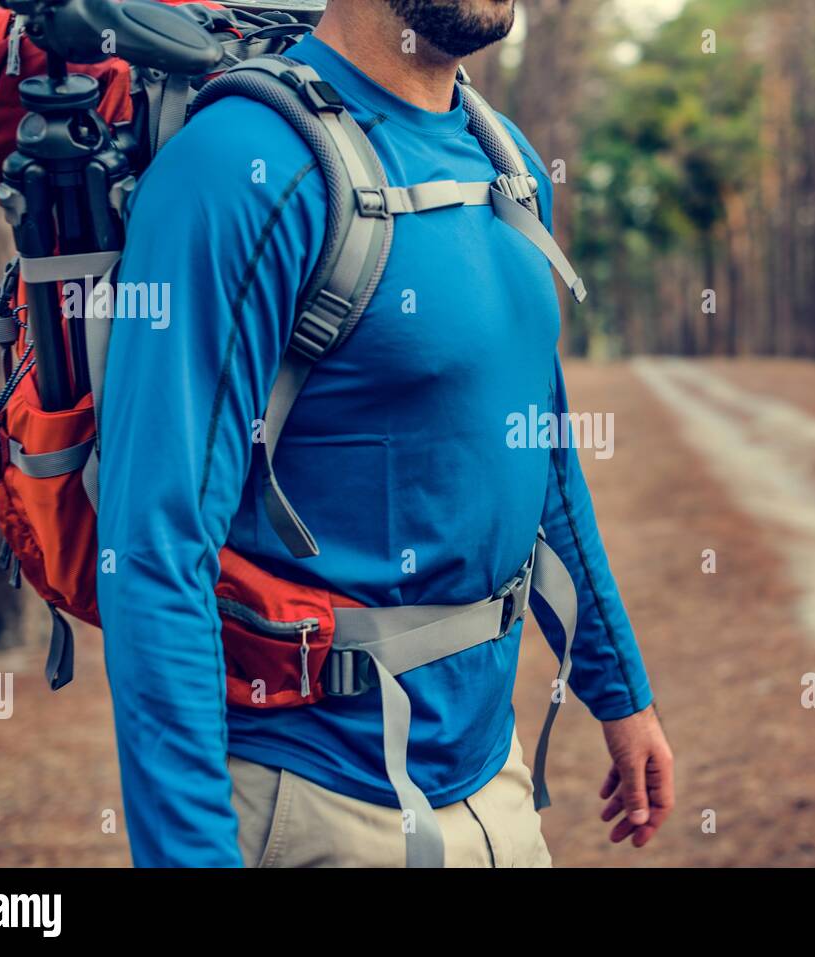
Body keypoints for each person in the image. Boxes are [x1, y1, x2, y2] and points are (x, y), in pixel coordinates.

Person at [96, 0, 674, 867]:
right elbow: (153, 547)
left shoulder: (507, 161)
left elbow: (543, 458)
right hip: (315, 800)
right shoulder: (238, 168)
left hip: (495, 781)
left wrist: (620, 693)